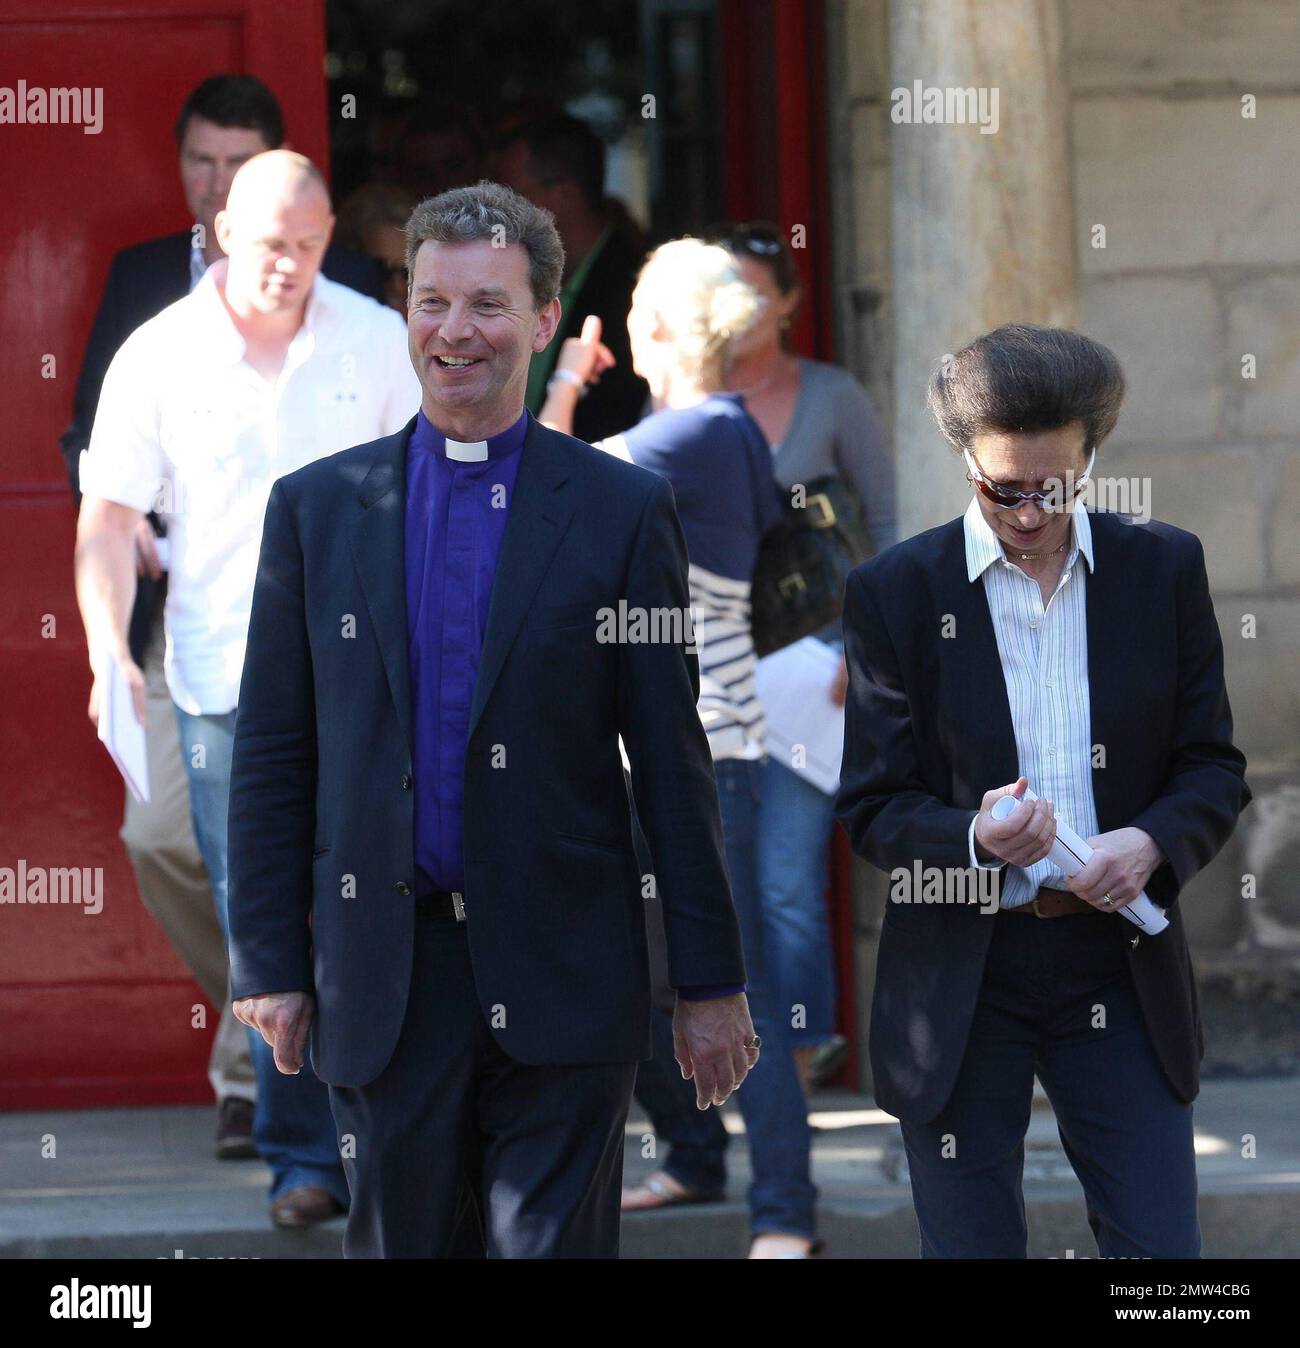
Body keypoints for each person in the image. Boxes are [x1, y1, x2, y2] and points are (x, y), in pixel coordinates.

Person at [223, 182, 758, 1259]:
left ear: (546, 319)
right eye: (431, 302)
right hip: (389, 977)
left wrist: (708, 982)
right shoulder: (317, 509)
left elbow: (670, 758)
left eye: (487, 305)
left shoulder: (619, 509)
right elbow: (273, 752)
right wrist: (269, 962)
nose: (454, 331)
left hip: (566, 969)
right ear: (405, 308)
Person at [835, 324, 1252, 1258]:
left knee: (1162, 1260)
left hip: (1118, 963)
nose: (1029, 511)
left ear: (1092, 458)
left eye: (1055, 487)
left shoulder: (1162, 568)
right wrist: (977, 838)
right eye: (1002, 488)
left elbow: (1213, 767)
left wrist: (1147, 845)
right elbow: (871, 806)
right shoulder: (897, 590)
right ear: (964, 463)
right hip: (962, 977)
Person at [74, 151, 418, 1228]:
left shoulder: (371, 338)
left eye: (310, 246)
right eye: (273, 244)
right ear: (222, 230)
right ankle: (302, 1159)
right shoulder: (159, 354)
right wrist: (103, 648)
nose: (291, 265)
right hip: (223, 676)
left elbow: (431, 486)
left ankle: (376, 1141)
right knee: (264, 921)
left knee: (366, 905)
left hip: (367, 673)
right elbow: (107, 517)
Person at [542, 239, 820, 1258]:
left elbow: (539, 476)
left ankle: (784, 1211)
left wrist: (566, 379)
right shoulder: (714, 427)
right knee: (646, 973)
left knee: (731, 984)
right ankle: (696, 1154)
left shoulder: (696, 433)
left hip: (709, 753)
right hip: (677, 748)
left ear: (657, 327)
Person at [712, 220, 896, 1092]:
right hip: (712, 672)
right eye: (724, 292)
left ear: (789, 300)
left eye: (758, 289)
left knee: (784, 870)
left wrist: (863, 649)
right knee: (716, 870)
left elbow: (891, 526)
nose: (741, 310)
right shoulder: (678, 400)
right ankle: (729, 1046)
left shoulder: (831, 396)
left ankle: (798, 1045)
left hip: (810, 669)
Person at [496, 113, 649, 441]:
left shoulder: (632, 286)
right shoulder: (529, 279)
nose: (497, 216)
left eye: (511, 197)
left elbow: (614, 419)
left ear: (562, 197)